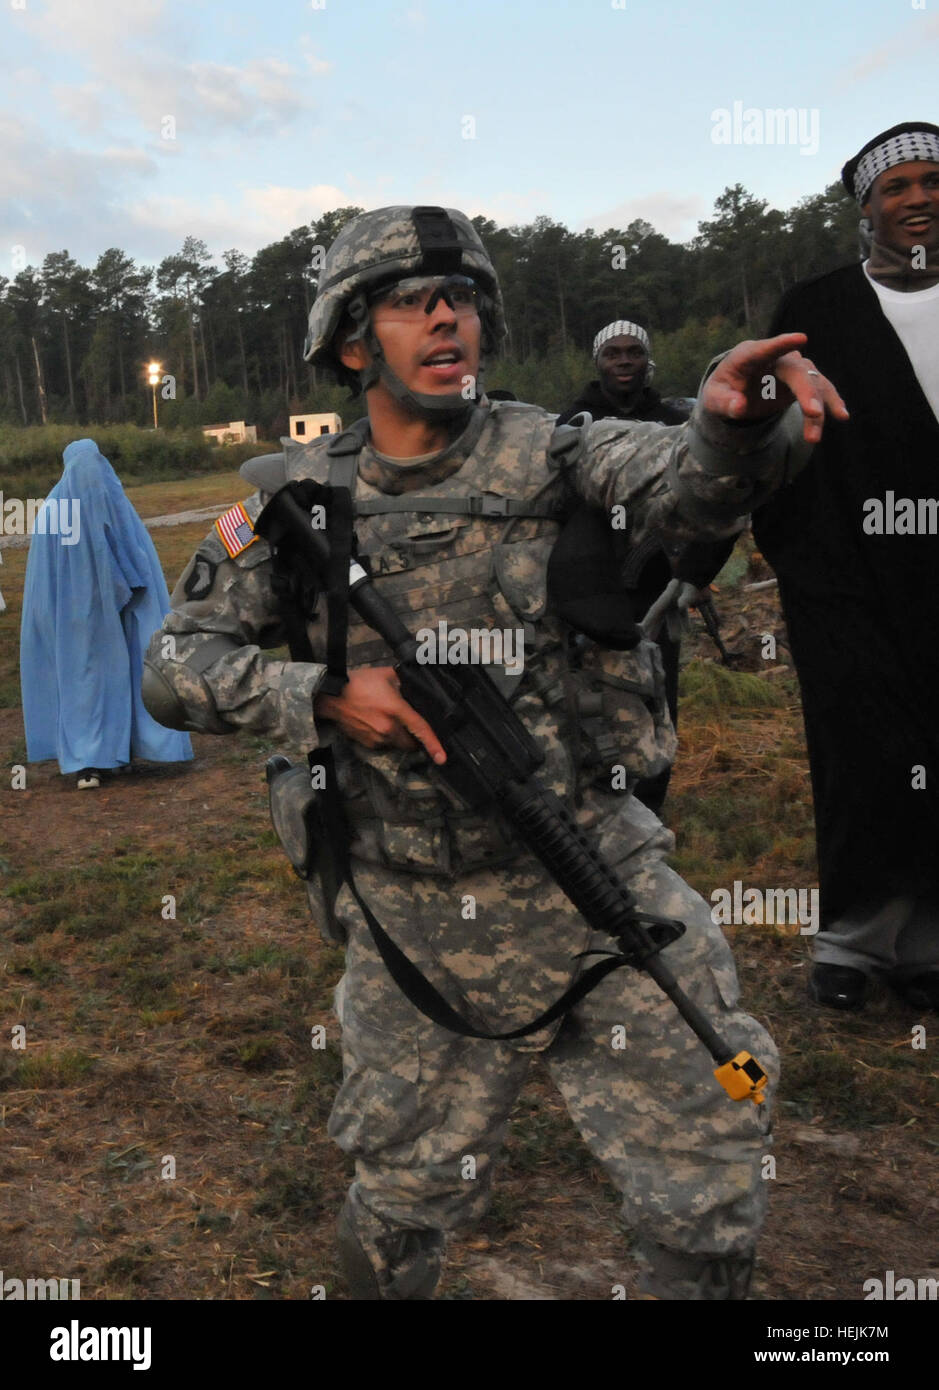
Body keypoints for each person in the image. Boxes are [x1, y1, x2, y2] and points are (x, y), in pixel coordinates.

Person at [142, 205, 845, 1300]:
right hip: (417, 915)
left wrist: (729, 424)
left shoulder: (557, 452)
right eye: (413, 301)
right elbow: (171, 666)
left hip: (599, 880)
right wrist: (324, 694)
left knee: (722, 1132)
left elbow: (688, 484)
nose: (446, 317)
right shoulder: (290, 503)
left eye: (463, 297)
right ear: (350, 340)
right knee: (401, 1192)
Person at [752, 122, 939, 1014]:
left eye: (931, 181)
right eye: (895, 186)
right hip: (847, 574)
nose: (918, 199)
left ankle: (929, 946)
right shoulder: (813, 309)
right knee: (861, 751)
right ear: (864, 207)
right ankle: (855, 945)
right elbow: (766, 428)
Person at [557, 322, 730, 816]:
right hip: (592, 590)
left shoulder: (678, 419)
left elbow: (713, 497)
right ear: (599, 361)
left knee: (656, 698)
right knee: (588, 699)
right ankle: (598, 805)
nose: (625, 360)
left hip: (660, 587)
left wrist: (694, 572)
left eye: (634, 351)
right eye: (614, 353)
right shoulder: (573, 421)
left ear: (646, 359)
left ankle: (649, 807)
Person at [20, 438, 193, 787]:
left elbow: (136, 556)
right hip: (75, 619)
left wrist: (126, 593)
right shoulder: (56, 511)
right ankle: (88, 761)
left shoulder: (112, 501)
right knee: (83, 682)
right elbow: (44, 580)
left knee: (126, 674)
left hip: (120, 610)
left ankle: (123, 749)